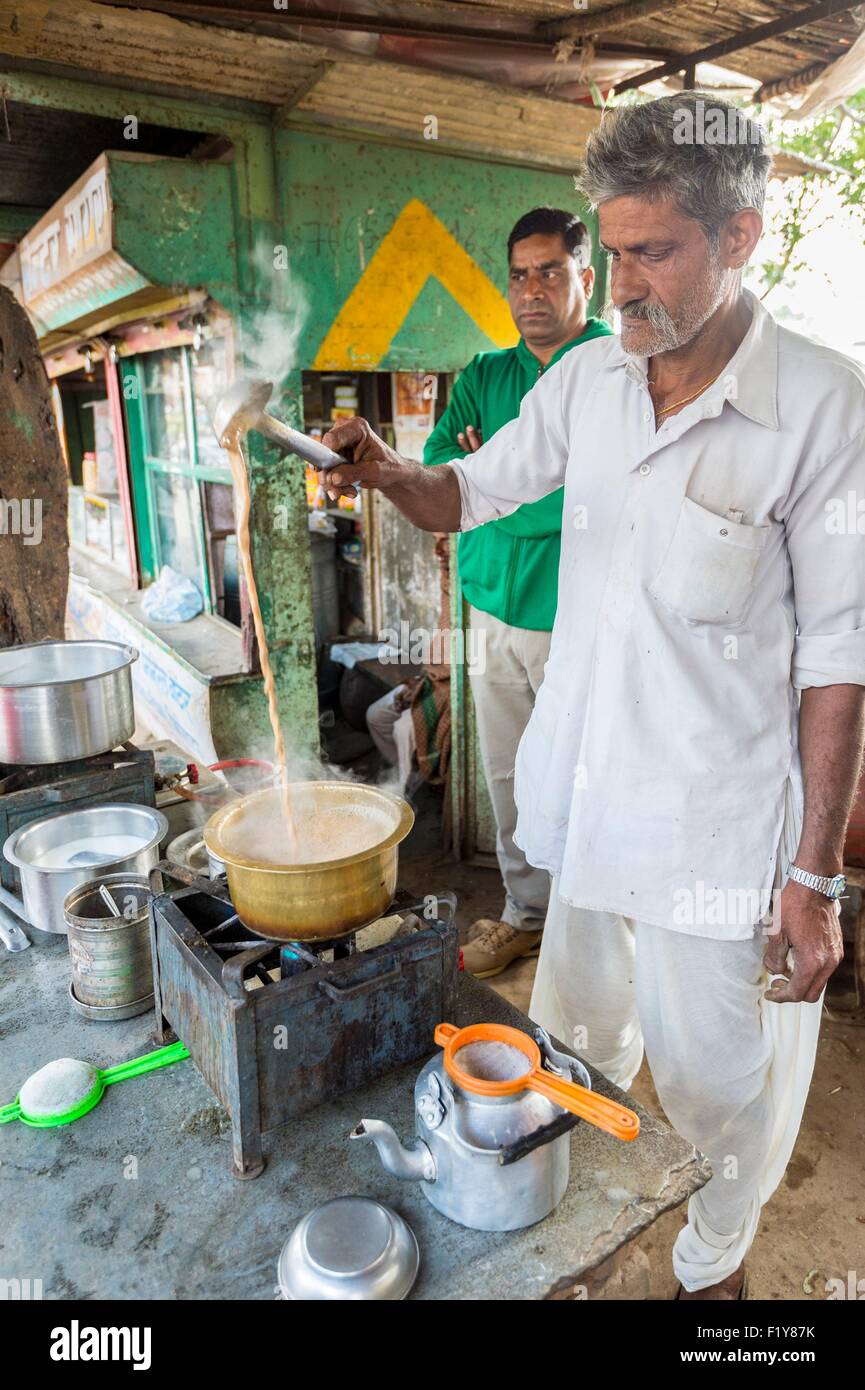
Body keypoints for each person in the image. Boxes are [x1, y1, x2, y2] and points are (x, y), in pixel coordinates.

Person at [318, 91, 865, 1299]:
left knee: (721, 1088)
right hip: (590, 807)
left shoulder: (825, 408)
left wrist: (814, 877)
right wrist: (384, 469)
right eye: (610, 251)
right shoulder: (588, 384)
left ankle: (713, 1272)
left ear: (741, 236)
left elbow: (837, 658)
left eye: (652, 252)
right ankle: (572, 1238)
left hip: (720, 841)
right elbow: (465, 491)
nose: (619, 287)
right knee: (569, 1047)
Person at [423, 207, 612, 978]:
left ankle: (592, 935)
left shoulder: (614, 368)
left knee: (589, 775)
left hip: (579, 622)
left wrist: (494, 482)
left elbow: (591, 500)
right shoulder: (484, 374)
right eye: (519, 274)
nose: (532, 290)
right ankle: (525, 914)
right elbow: (438, 470)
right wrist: (501, 485)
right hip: (489, 611)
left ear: (586, 278)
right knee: (506, 773)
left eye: (551, 272)